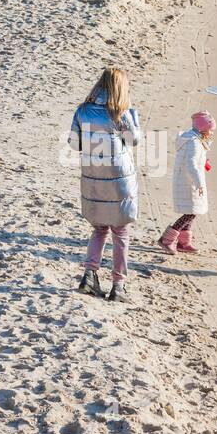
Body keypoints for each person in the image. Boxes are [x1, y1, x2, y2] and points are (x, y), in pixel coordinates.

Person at [69, 67, 141, 303]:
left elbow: (74, 144)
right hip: (118, 178)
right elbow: (134, 140)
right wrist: (133, 114)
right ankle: (118, 286)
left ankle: (90, 275)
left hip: (92, 175)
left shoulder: (83, 110)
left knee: (99, 228)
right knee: (121, 232)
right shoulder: (119, 112)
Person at [160, 111, 214, 255]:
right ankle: (167, 239)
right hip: (189, 182)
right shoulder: (194, 142)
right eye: (210, 130)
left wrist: (204, 162)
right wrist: (199, 183)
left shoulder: (195, 139)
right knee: (191, 213)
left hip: (187, 180)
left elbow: (194, 160)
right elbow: (191, 164)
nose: (211, 133)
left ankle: (184, 243)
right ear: (203, 128)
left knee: (192, 211)